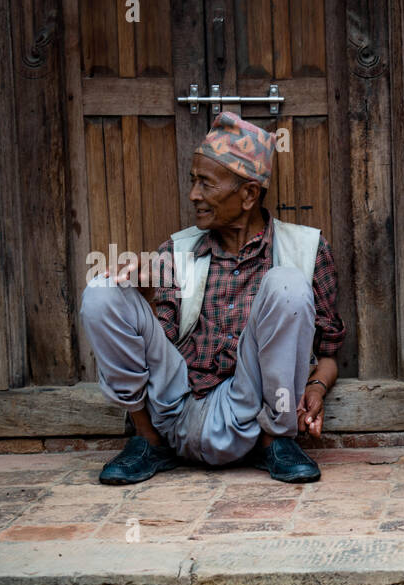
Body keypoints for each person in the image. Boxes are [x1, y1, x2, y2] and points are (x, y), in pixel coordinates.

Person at [80, 112, 345, 484]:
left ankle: (276, 442)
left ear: (249, 194)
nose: (194, 195)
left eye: (205, 184)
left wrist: (316, 387)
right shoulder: (177, 251)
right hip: (175, 405)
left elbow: (329, 353)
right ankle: (146, 440)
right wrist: (146, 293)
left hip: (249, 407)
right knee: (102, 291)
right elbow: (159, 344)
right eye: (193, 182)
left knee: (287, 283)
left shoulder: (307, 249)